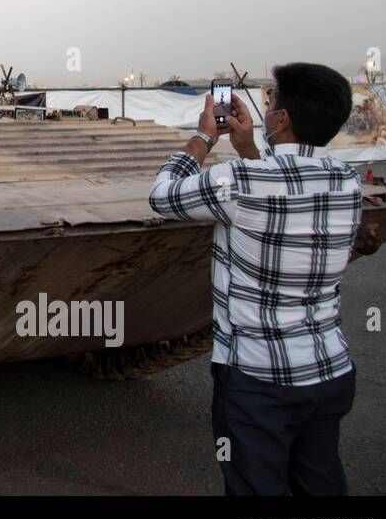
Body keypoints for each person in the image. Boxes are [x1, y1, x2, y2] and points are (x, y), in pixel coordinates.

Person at [148, 63, 362, 495]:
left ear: (282, 119)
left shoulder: (242, 181)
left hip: (258, 381)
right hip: (328, 372)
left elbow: (163, 194)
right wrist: (250, 147)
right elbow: (285, 190)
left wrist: (206, 135)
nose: (267, 108)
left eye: (271, 102)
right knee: (320, 484)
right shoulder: (348, 182)